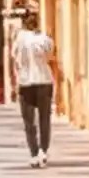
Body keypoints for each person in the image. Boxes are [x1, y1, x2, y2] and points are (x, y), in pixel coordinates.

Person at [12, 14, 59, 168]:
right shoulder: (46, 39)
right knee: (44, 118)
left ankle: (33, 153)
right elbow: (52, 57)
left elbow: (14, 57)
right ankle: (43, 151)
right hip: (44, 80)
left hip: (26, 82)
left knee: (29, 121)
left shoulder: (19, 38)